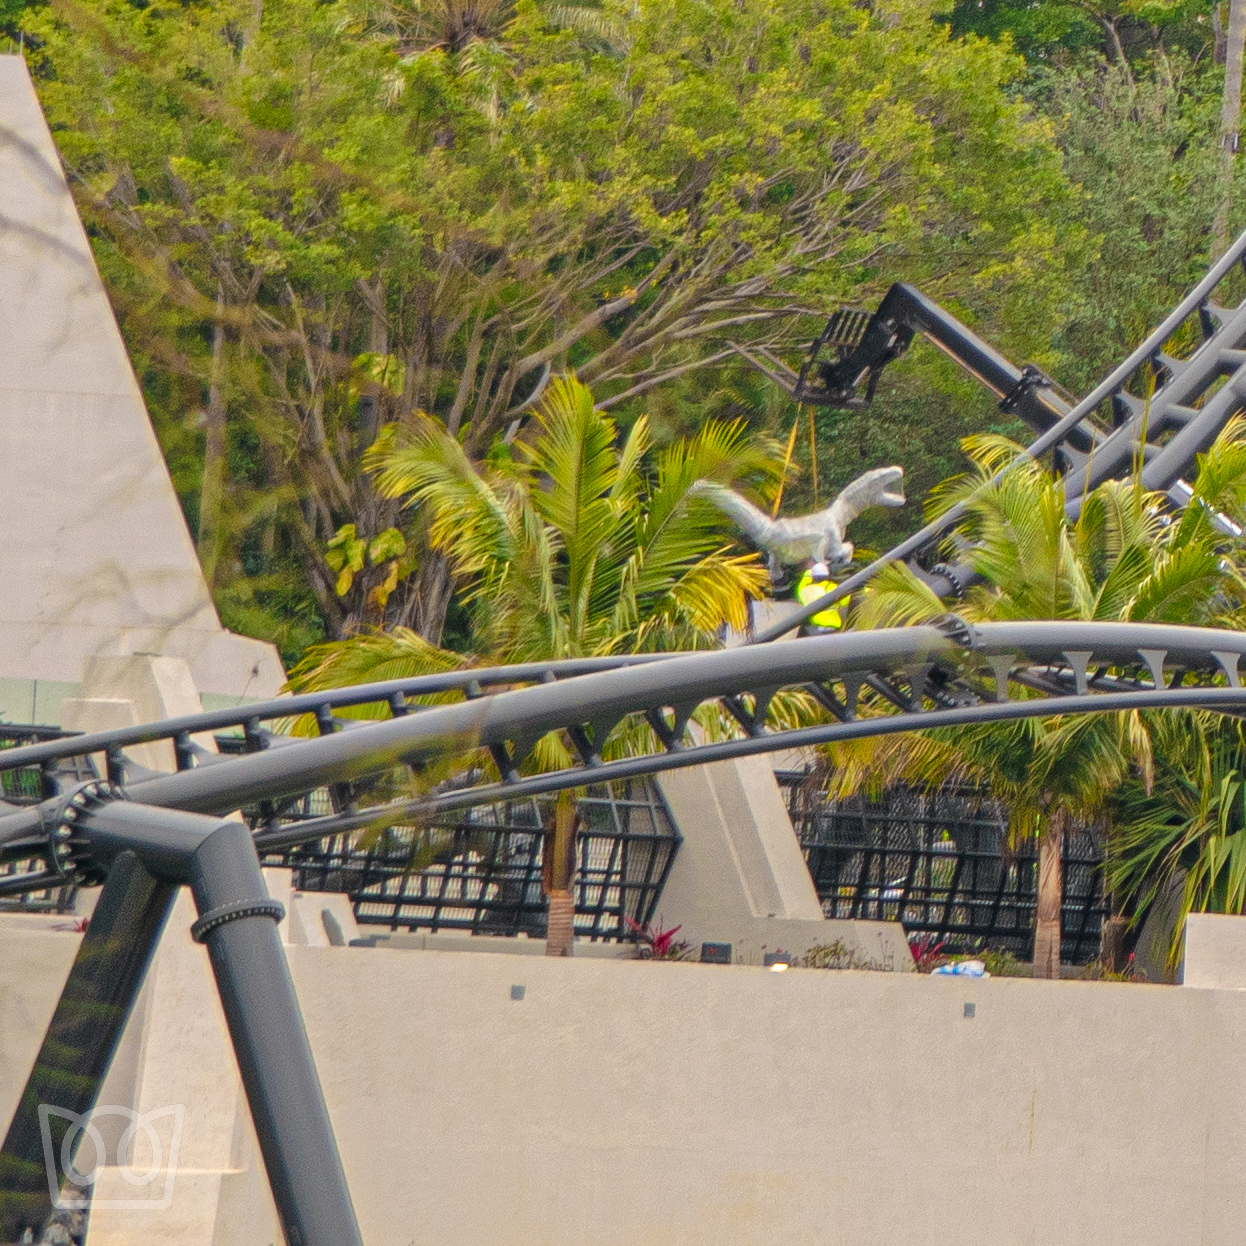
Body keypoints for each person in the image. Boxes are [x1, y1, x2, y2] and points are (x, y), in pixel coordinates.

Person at [794, 560, 844, 632]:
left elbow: (801, 586)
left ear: (813, 576)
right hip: (832, 625)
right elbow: (844, 602)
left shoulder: (805, 590)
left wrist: (808, 572)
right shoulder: (833, 587)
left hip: (814, 624)